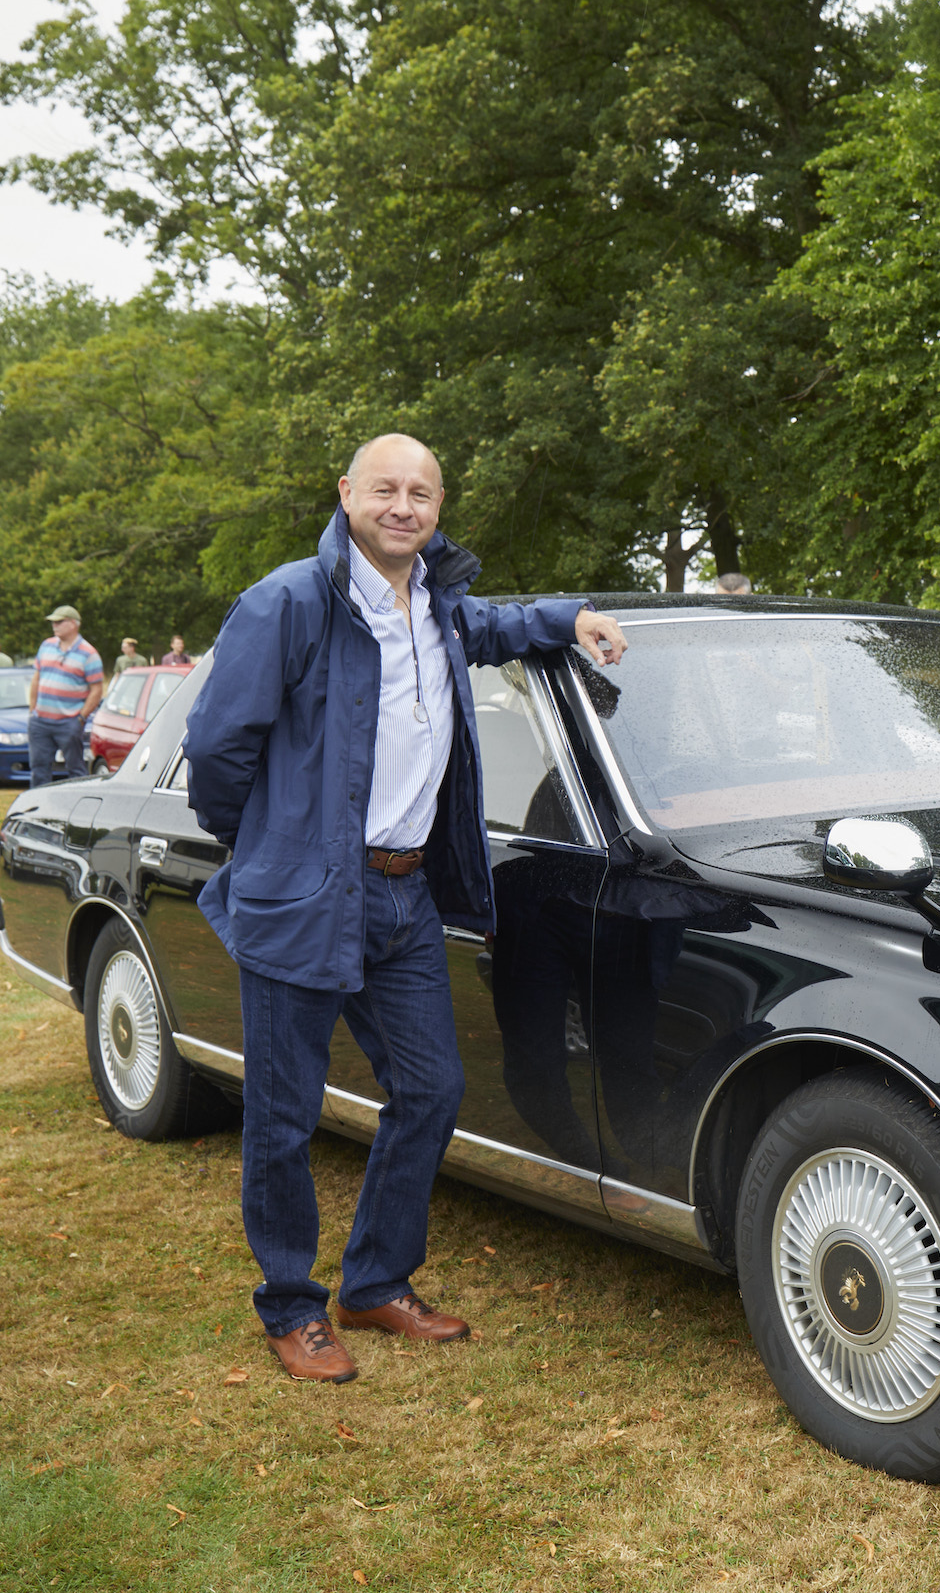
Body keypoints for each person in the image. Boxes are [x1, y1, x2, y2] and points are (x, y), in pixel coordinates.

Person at [185, 433, 627, 1385]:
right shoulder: (288, 603)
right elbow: (219, 749)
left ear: (438, 506)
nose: (402, 506)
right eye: (384, 488)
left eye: (420, 492)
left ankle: (375, 1281)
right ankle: (292, 1307)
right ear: (346, 494)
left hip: (403, 892)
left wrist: (573, 615)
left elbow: (504, 627)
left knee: (431, 1090)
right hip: (304, 895)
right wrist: (271, 846)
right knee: (284, 1117)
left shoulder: (442, 607)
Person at [29, 606, 103, 786]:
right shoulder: (46, 645)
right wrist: (33, 710)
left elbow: (97, 690)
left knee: (75, 770)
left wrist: (81, 718)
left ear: (73, 624)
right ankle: (39, 808)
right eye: (53, 622)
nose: (55, 625)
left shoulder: (89, 654)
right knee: (38, 769)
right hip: (40, 721)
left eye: (59, 622)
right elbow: (36, 678)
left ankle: (78, 807)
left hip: (68, 722)